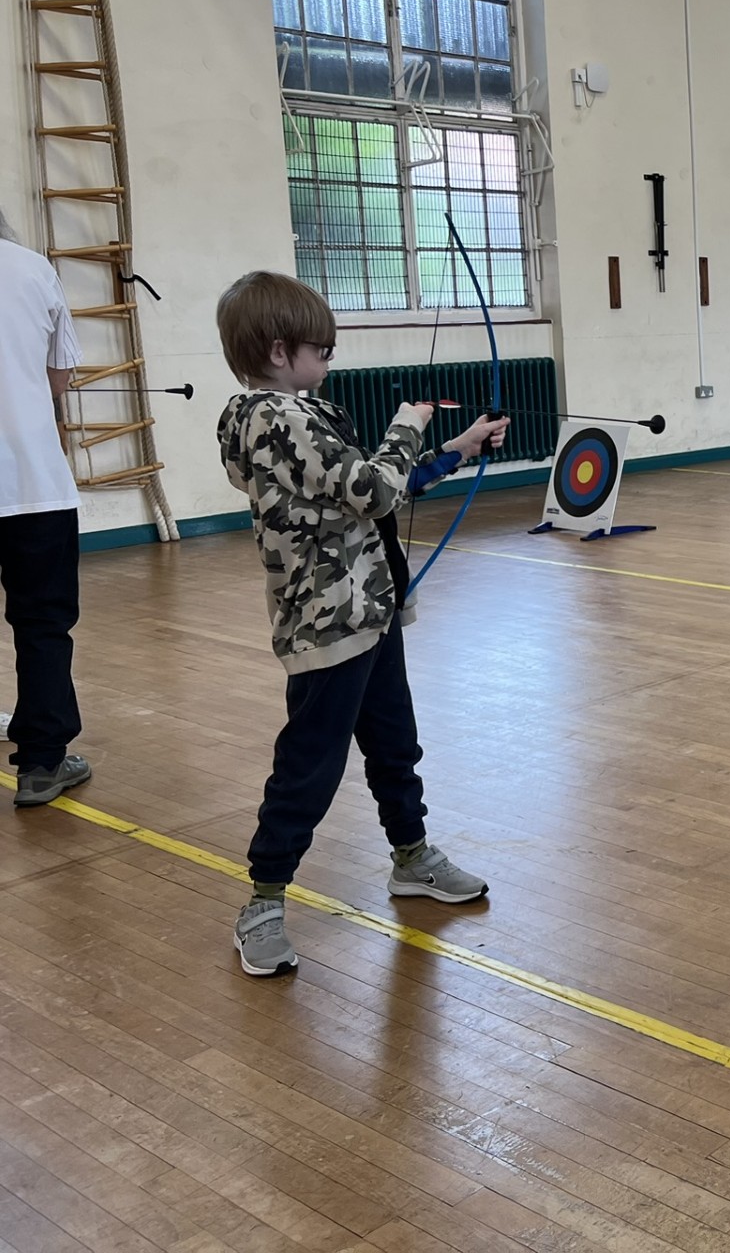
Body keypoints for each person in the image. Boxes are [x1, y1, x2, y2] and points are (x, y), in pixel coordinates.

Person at [215, 270, 508, 976]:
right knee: (309, 768)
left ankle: (412, 857)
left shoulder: (299, 414)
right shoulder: (272, 417)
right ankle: (262, 900)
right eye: (322, 350)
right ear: (281, 350)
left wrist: (460, 448)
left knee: (393, 743)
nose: (327, 362)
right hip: (326, 624)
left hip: (370, 613)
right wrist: (408, 426)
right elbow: (374, 485)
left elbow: (367, 498)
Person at [0, 208, 91, 808]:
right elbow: (58, 378)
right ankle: (40, 763)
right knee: (42, 624)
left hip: (33, 487)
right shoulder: (33, 270)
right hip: (31, 486)